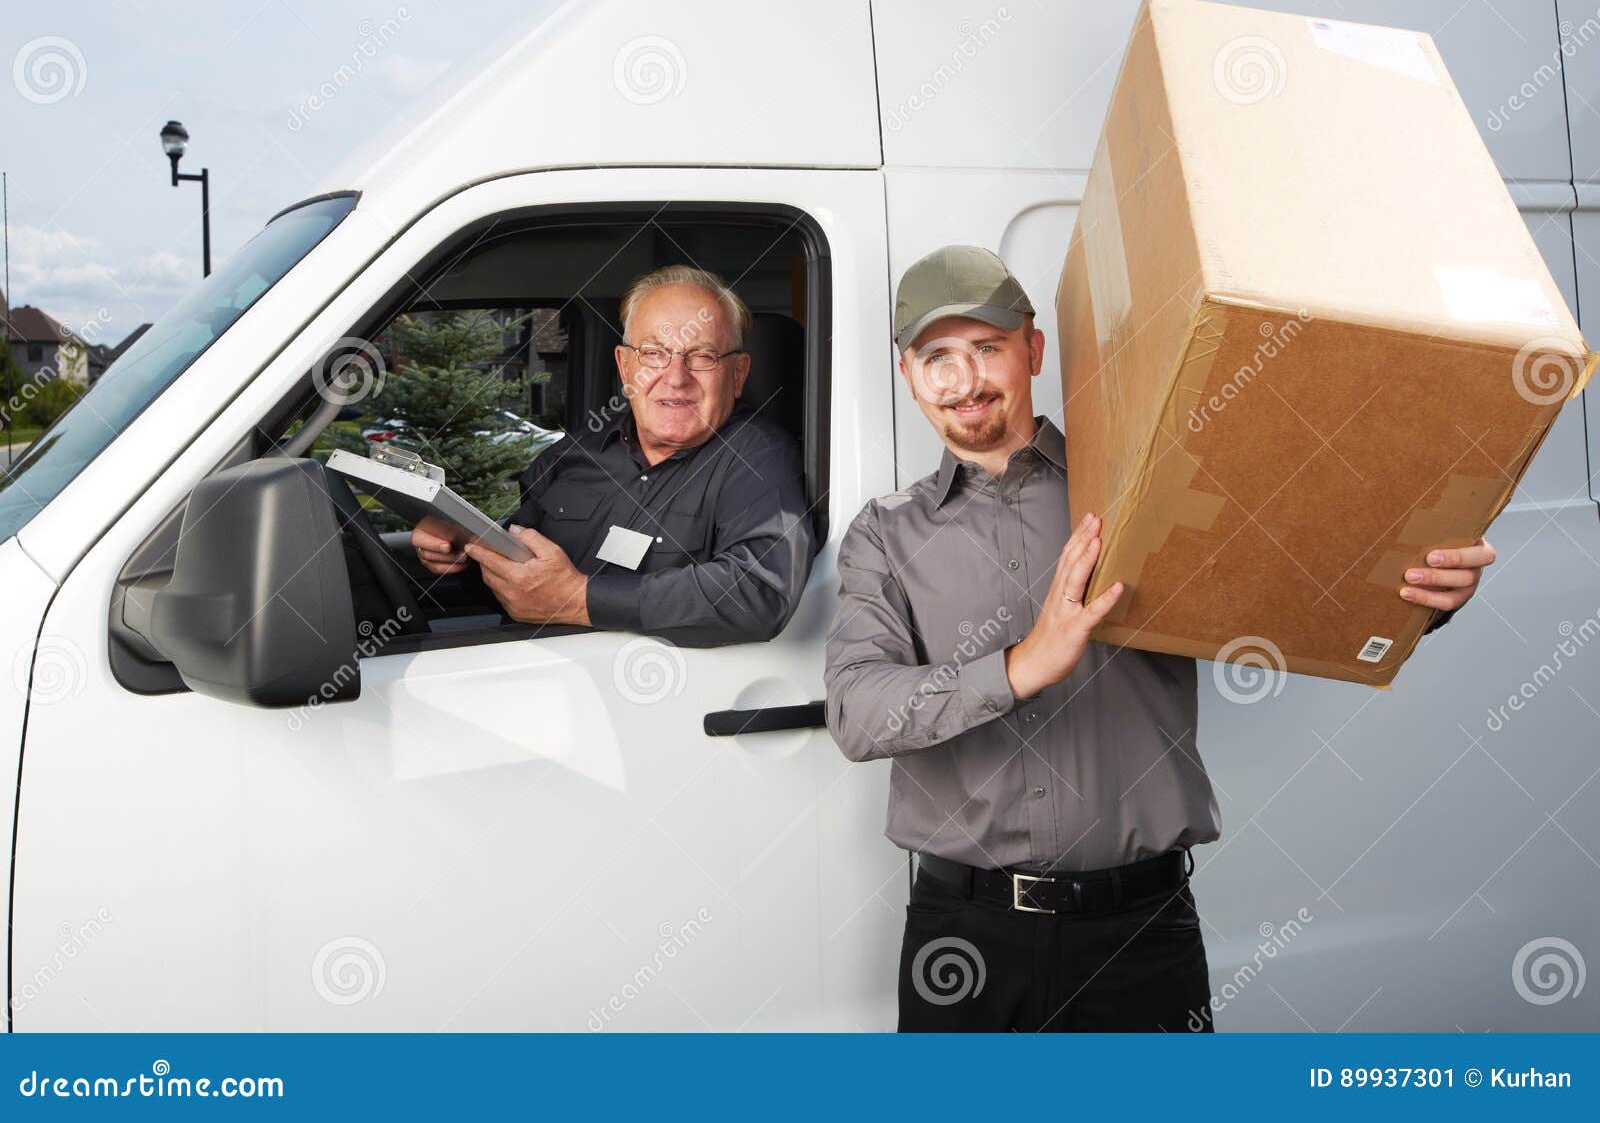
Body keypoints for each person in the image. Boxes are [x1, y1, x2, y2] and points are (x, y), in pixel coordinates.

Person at [824, 245, 1493, 1031]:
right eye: (937, 356)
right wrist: (1019, 666)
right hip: (964, 936)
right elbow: (857, 712)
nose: (964, 380)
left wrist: (1420, 593)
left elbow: (1297, 587)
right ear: (909, 374)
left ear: (1033, 349)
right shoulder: (884, 534)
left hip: (1138, 934)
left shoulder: (1145, 490)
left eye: (987, 348)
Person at [412, 265, 815, 647]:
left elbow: (759, 591)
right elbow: (523, 569)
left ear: (739, 374)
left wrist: (579, 598)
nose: (676, 378)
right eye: (655, 353)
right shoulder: (575, 453)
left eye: (703, 356)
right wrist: (463, 552)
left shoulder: (759, 459)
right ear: (626, 367)